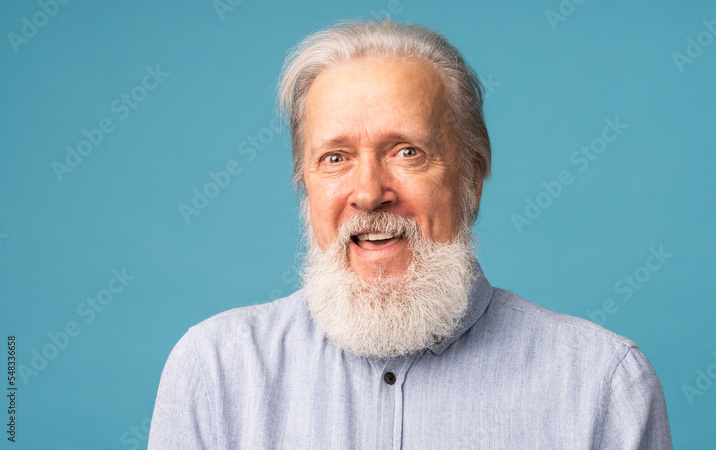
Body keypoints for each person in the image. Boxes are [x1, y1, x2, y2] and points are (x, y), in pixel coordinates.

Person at [149, 19, 671, 449]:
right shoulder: (213, 372)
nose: (370, 193)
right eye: (336, 158)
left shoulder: (603, 385)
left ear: (472, 176)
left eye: (407, 152)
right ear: (305, 187)